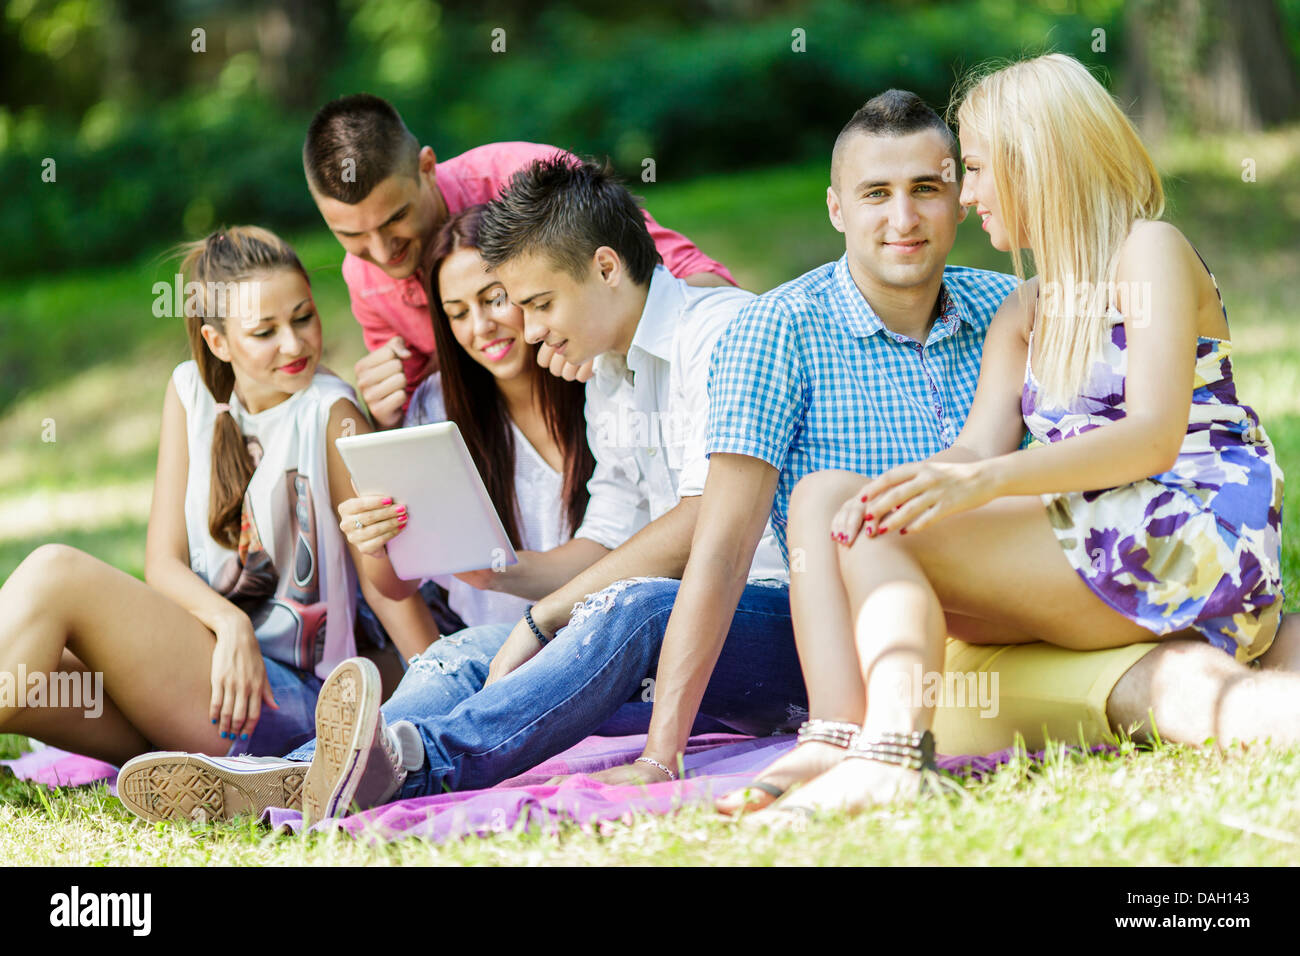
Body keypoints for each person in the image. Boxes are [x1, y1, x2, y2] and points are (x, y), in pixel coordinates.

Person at [115, 157, 797, 826]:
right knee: (466, 650)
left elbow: (707, 516)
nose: (527, 331)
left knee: (633, 607)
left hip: (779, 626)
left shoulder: (723, 334)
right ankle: (295, 773)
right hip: (683, 641)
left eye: (536, 304)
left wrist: (549, 615)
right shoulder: (610, 375)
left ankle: (416, 763)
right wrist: (508, 579)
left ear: (607, 268)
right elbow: (609, 537)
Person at [742, 54, 1298, 822]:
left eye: (975, 169)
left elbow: (1152, 438)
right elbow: (973, 449)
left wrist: (987, 484)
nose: (966, 196)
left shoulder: (1150, 252)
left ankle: (895, 757)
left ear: (1039, 162)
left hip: (1187, 524)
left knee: (884, 534)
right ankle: (837, 735)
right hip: (1099, 527)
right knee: (829, 498)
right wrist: (914, 485)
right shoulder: (1026, 310)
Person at [0, 227, 429, 793]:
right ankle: (178, 750)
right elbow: (163, 561)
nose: (295, 344)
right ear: (219, 341)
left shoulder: (330, 412)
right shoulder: (189, 391)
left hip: (291, 701)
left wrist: (444, 692)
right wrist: (230, 625)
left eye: (303, 317)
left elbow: (383, 586)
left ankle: (234, 760)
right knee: (36, 680)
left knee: (56, 573)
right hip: (206, 682)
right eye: (264, 331)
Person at [302, 94, 735, 429]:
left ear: (427, 167)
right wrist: (387, 414)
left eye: (396, 218)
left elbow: (702, 282)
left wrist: (601, 331)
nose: (381, 252)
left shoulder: (528, 180)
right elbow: (426, 412)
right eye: (351, 236)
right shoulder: (362, 277)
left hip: (621, 419)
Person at [338, 202, 596, 630]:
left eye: (494, 299)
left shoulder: (597, 378)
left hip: (610, 639)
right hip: (490, 648)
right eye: (458, 313)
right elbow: (398, 587)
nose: (480, 327)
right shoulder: (436, 409)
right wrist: (377, 544)